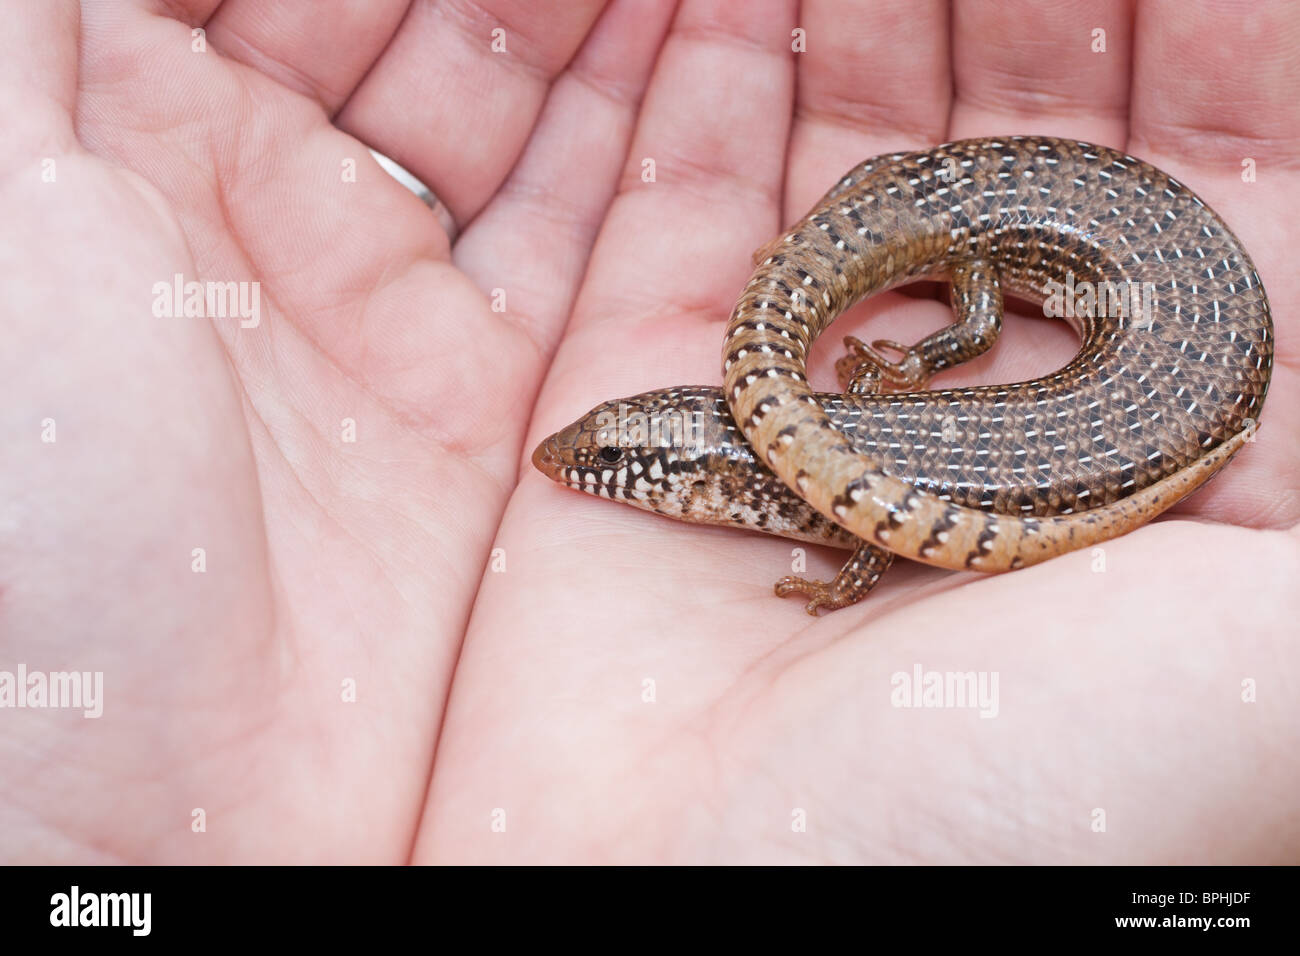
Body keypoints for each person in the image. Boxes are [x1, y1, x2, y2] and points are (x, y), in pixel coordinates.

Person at [2, 0, 1295, 864]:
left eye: (634, 467)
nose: (595, 475)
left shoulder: (842, 471)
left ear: (730, 477)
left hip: (1180, 371)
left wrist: (855, 554)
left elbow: (875, 529)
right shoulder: (850, 437)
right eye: (628, 459)